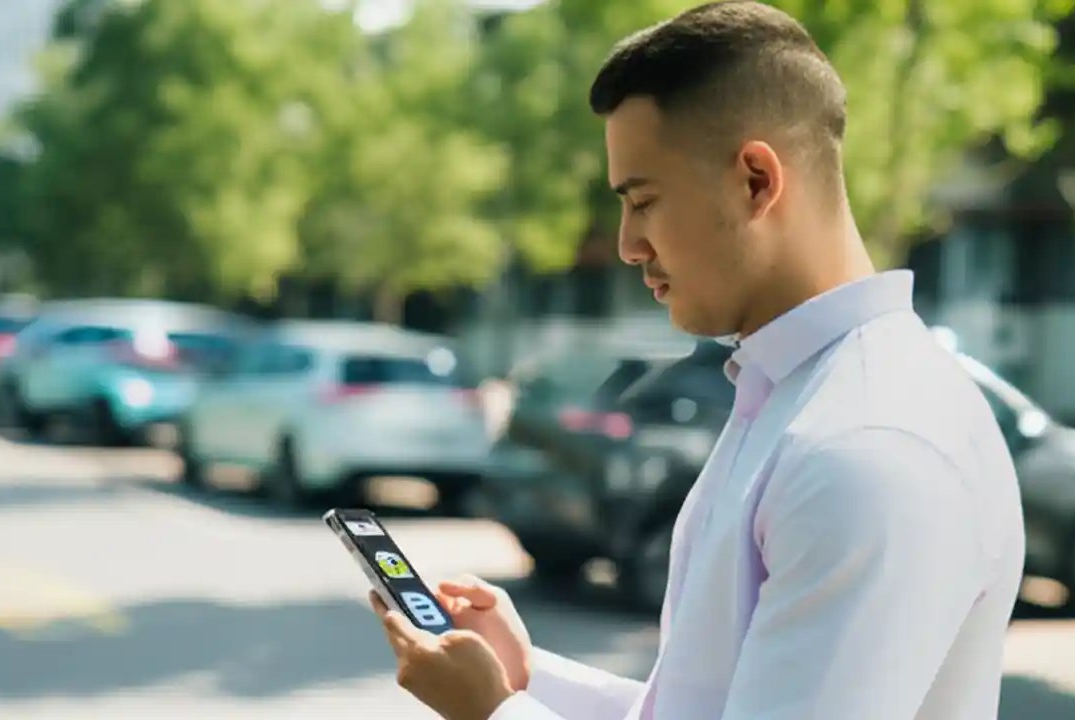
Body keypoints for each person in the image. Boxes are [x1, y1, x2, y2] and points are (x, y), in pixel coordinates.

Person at [368, 2, 1026, 719]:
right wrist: (526, 681)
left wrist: (493, 713)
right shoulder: (802, 395)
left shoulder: (867, 446)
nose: (627, 245)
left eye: (643, 201)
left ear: (755, 180)